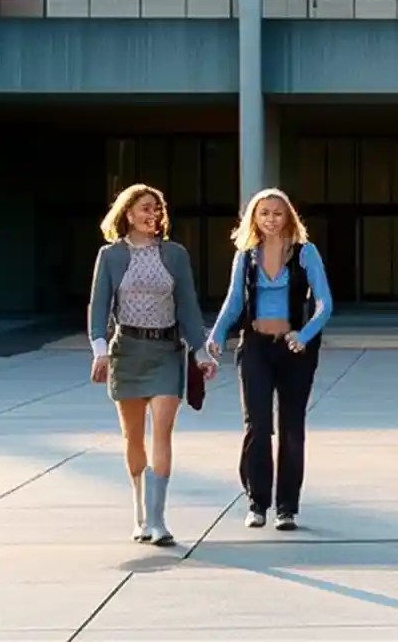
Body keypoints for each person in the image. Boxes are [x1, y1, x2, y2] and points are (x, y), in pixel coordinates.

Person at [88, 183, 218, 545]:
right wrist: (100, 350)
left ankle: (159, 521)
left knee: (162, 432)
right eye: (145, 208)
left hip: (166, 352)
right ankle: (140, 515)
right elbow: (98, 309)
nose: (152, 215)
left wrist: (201, 352)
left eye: (157, 209)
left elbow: (188, 307)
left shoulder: (175, 255)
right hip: (126, 352)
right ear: (128, 213)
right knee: (133, 437)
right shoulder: (110, 256)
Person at [207, 188, 334, 532]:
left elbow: (325, 304)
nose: (271, 219)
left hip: (295, 351)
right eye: (264, 213)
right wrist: (217, 334)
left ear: (289, 217)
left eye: (278, 213)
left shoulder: (306, 254)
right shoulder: (245, 257)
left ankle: (287, 508)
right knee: (258, 426)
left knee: (292, 429)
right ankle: (257, 501)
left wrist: (303, 335)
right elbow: (234, 302)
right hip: (256, 349)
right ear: (254, 218)